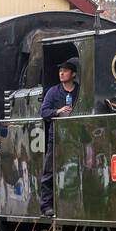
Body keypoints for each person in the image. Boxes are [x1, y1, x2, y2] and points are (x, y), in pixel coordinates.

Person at [39, 56, 79, 216]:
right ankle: (46, 206)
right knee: (49, 171)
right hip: (56, 137)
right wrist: (58, 111)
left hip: (76, 136)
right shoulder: (53, 92)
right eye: (60, 71)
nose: (61, 74)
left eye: (65, 71)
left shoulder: (80, 90)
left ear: (73, 74)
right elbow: (44, 112)